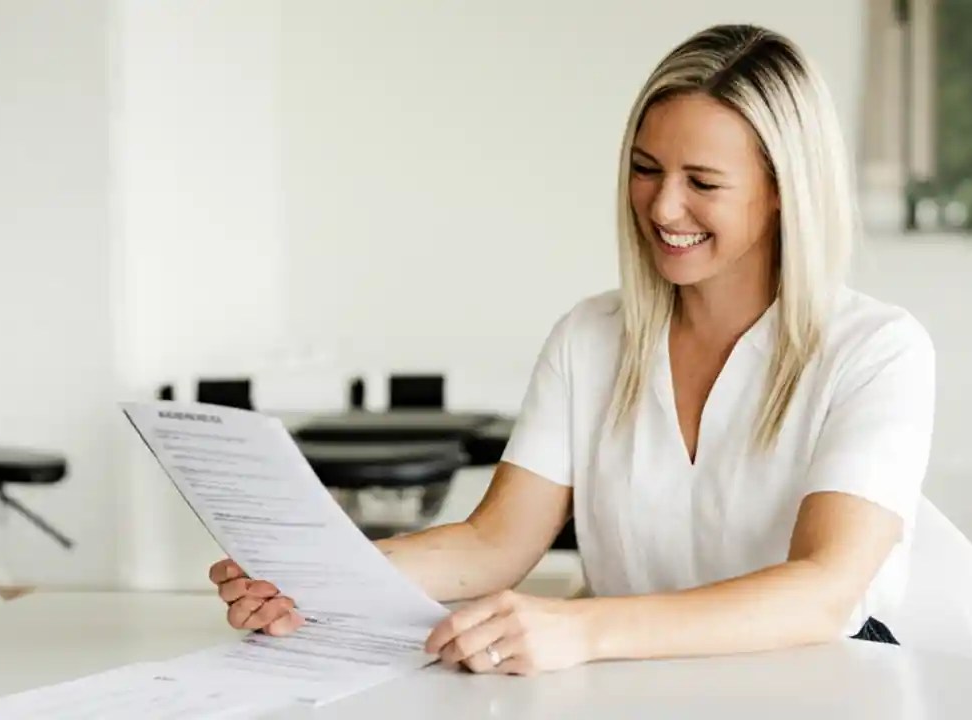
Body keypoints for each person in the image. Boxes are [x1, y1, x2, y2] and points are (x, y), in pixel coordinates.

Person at [209, 23, 935, 676]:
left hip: (821, 692)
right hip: (635, 687)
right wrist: (313, 571)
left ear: (784, 191)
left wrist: (581, 626)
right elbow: (495, 545)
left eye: (702, 182)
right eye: (646, 169)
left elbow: (822, 592)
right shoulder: (591, 338)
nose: (661, 207)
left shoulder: (876, 351)